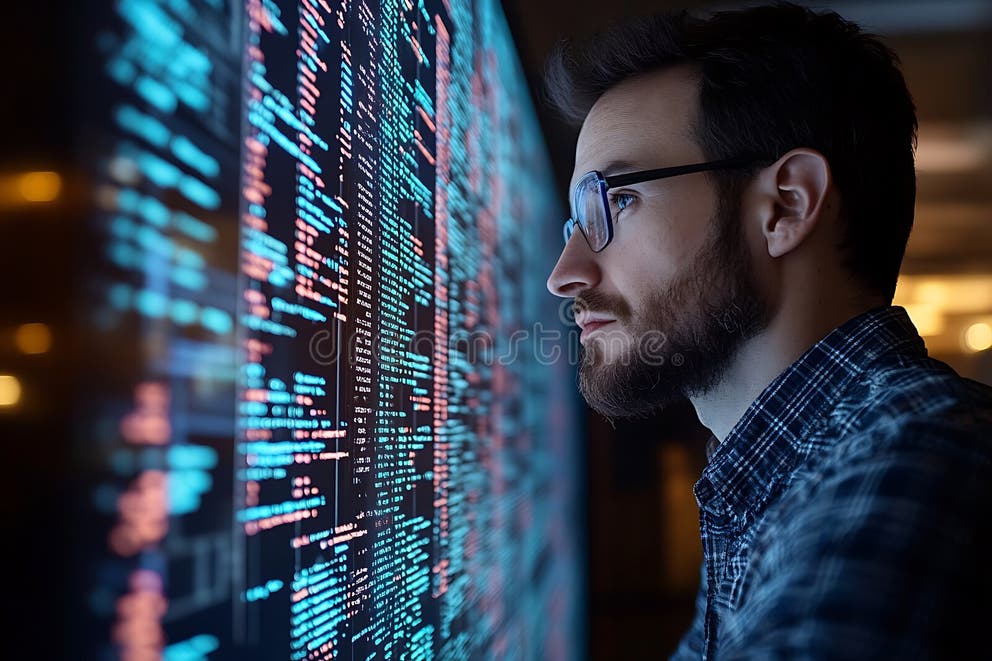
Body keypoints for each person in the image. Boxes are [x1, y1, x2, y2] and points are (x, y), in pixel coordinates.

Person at [544, 2, 992, 659]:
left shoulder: (909, 465)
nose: (566, 273)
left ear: (786, 205)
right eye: (574, 223)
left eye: (615, 202)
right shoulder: (769, 481)